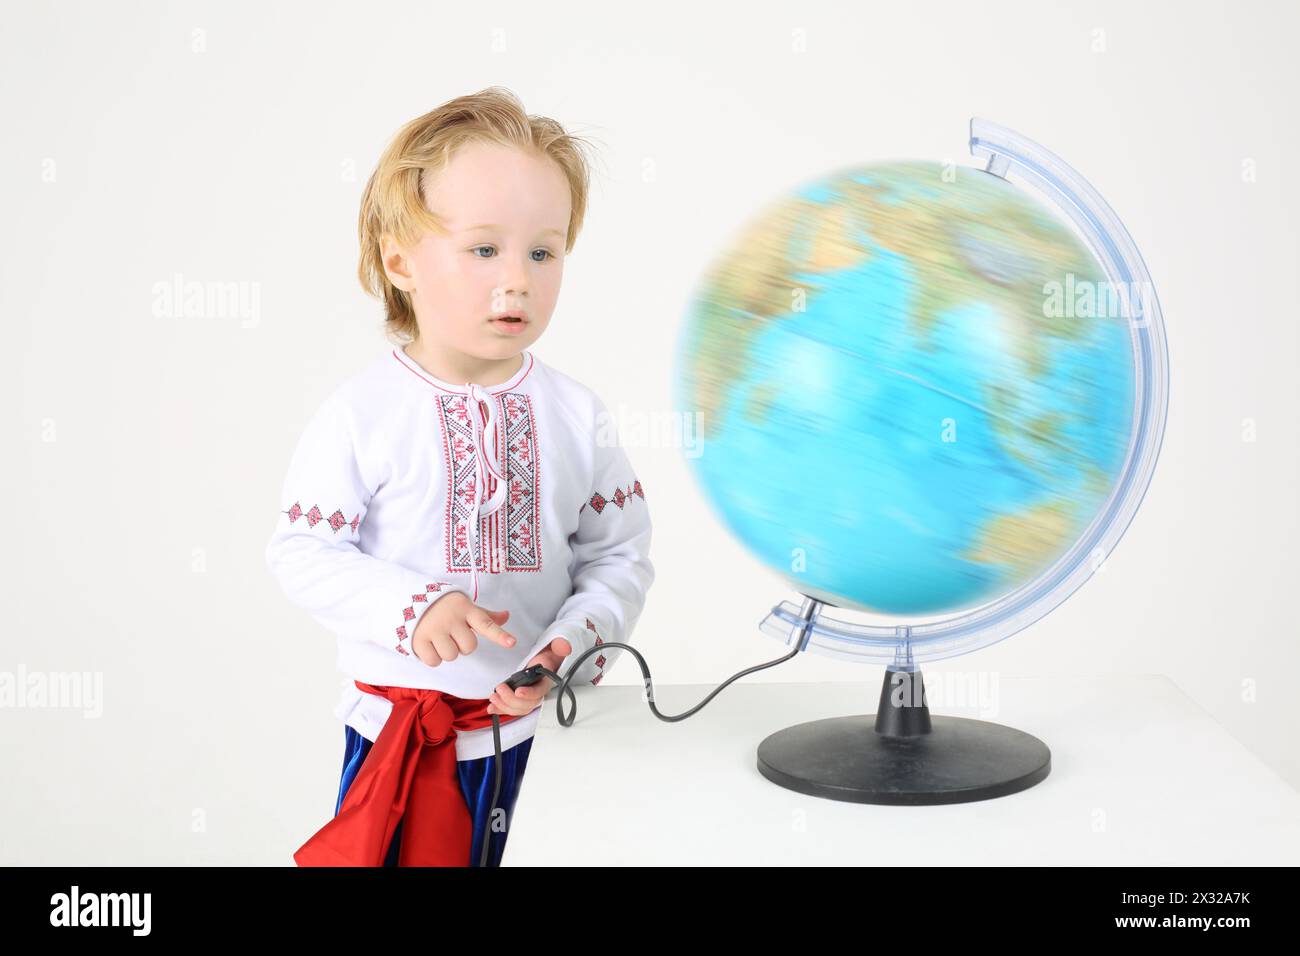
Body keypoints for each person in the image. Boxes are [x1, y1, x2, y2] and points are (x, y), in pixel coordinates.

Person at [264, 87, 655, 867]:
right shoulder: (362, 414)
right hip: (402, 743)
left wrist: (565, 649)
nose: (518, 279)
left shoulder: (578, 415)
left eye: (543, 252)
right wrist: (413, 608)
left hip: (547, 742)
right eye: (484, 249)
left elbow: (620, 556)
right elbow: (302, 554)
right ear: (399, 260)